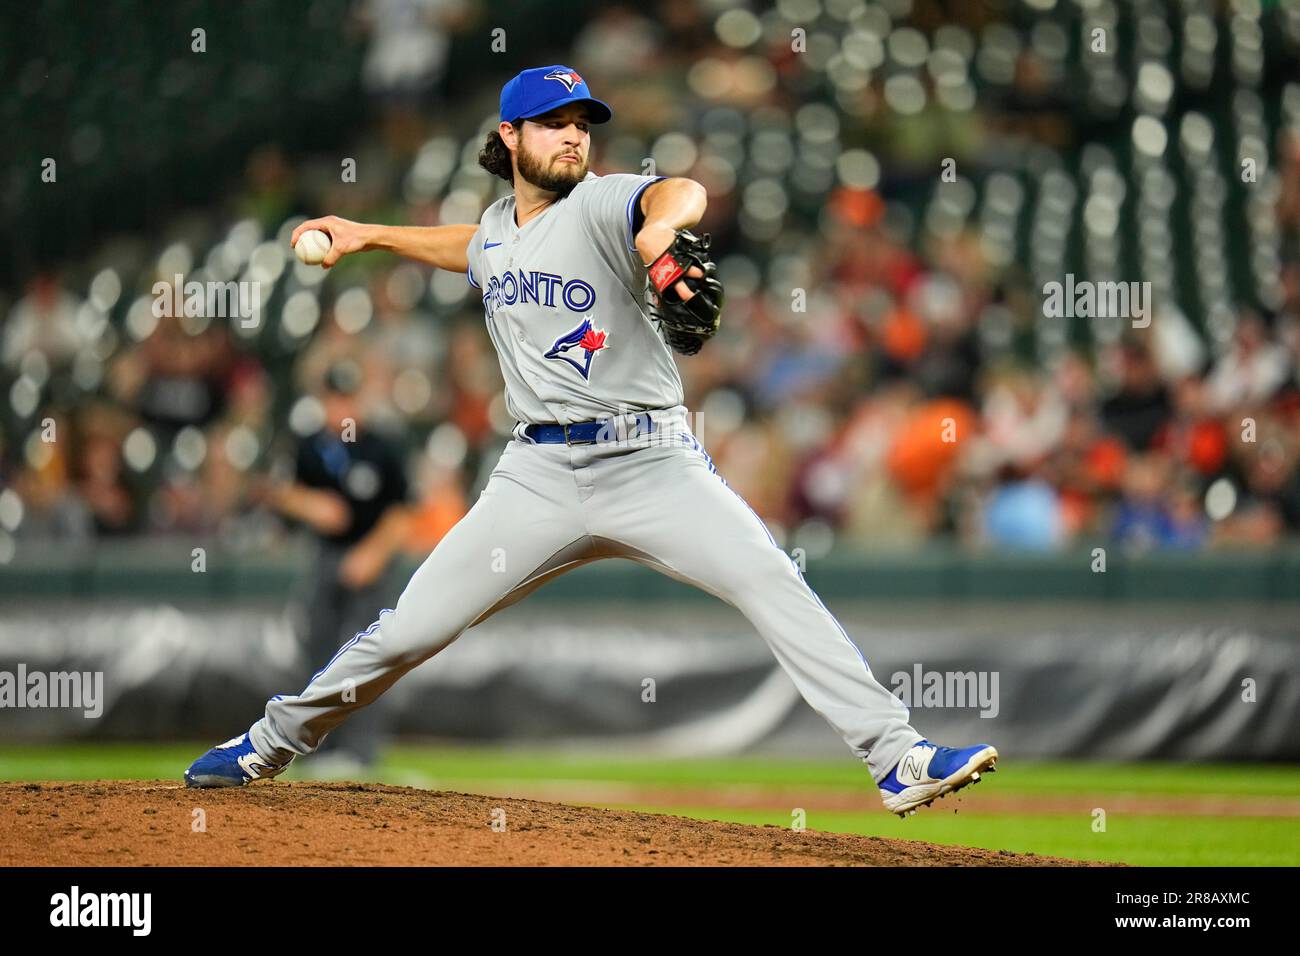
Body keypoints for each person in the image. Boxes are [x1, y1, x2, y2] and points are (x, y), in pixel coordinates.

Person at [185, 65, 998, 816]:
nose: (573, 135)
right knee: (409, 630)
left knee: (773, 583)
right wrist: (370, 233)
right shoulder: (499, 230)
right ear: (509, 138)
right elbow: (470, 248)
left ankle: (898, 757)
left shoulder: (605, 203)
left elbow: (678, 193)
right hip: (537, 475)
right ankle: (268, 742)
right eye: (551, 122)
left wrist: (658, 236)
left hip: (653, 465)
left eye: (581, 121)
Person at [254, 359, 412, 775]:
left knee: (370, 655)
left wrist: (371, 555)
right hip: (325, 559)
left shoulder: (381, 445)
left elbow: (401, 513)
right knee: (317, 652)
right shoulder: (307, 446)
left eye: (346, 398)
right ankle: (316, 749)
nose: (340, 408)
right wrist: (309, 504)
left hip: (371, 558)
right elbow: (275, 489)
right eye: (333, 399)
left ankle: (360, 753)